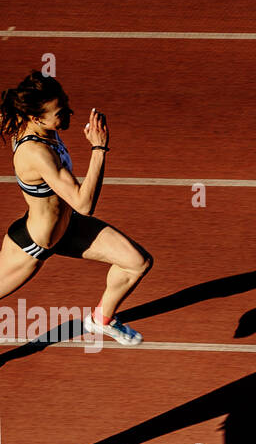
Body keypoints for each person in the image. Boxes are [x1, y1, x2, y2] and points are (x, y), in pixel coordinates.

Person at [0, 72, 152, 345]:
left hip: (68, 228)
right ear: (37, 119)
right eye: (60, 112)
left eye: (66, 104)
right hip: (33, 245)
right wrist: (98, 148)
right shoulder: (35, 152)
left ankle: (101, 320)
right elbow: (84, 204)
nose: (68, 113)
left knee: (136, 263)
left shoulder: (41, 125)